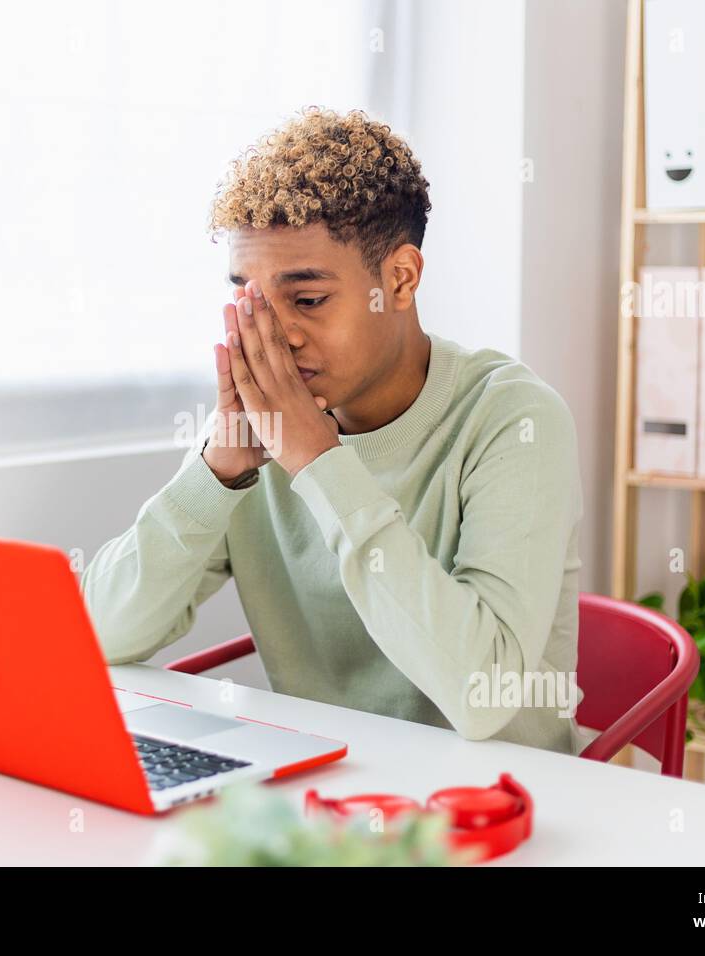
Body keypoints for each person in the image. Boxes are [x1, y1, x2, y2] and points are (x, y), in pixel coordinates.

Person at [82, 107, 583, 754]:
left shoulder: (514, 420)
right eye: (249, 300)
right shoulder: (261, 426)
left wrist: (319, 462)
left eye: (309, 299)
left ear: (399, 279)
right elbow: (101, 634)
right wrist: (217, 472)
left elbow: (483, 698)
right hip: (326, 795)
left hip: (498, 807)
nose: (277, 335)